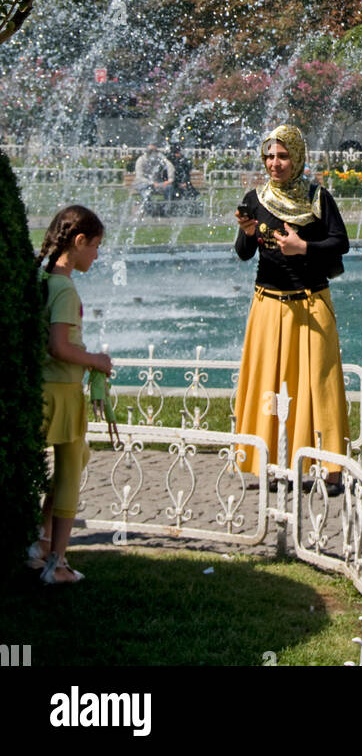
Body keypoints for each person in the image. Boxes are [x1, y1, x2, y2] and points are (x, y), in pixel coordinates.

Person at [234, 124, 350, 489]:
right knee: (266, 381)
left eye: (282, 156)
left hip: (311, 304)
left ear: (297, 157)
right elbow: (243, 253)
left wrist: (304, 249)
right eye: (269, 155)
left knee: (321, 382)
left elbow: (340, 243)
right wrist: (249, 233)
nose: (274, 163)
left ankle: (331, 469)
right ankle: (263, 462)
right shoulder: (256, 198)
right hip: (268, 304)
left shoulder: (317, 197)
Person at [31, 205, 113, 584]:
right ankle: (57, 564)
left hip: (49, 386)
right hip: (62, 390)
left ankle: (41, 544)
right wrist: (95, 360)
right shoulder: (63, 288)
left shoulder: (45, 278)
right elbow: (59, 346)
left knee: (77, 457)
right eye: (95, 247)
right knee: (68, 474)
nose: (96, 255)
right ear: (79, 242)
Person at [132, 143, 174, 215]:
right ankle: (150, 210)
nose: (154, 153)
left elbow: (169, 165)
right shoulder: (141, 160)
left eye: (155, 151)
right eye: (152, 151)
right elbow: (140, 177)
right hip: (142, 183)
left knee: (169, 187)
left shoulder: (158, 159)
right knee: (145, 190)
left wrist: (170, 179)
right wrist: (152, 183)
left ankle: (166, 210)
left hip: (156, 183)